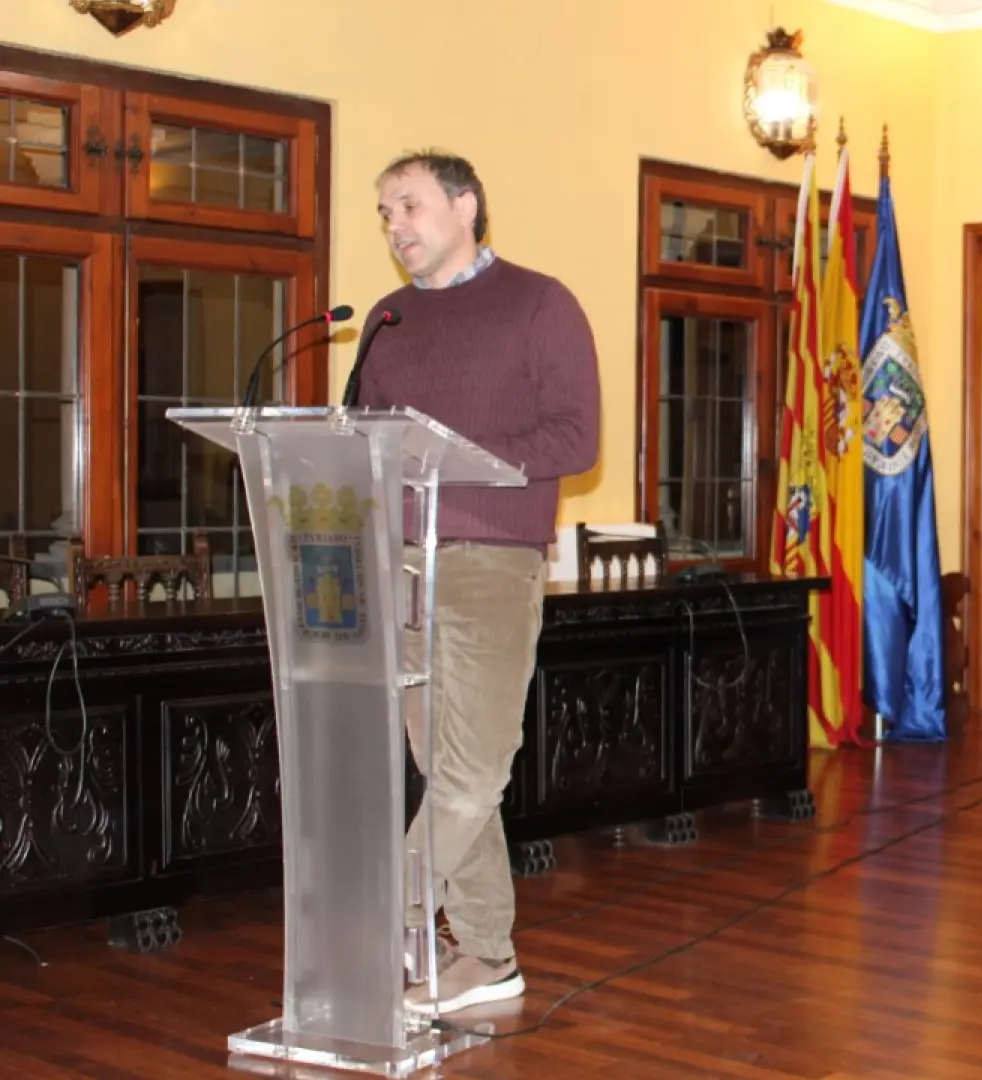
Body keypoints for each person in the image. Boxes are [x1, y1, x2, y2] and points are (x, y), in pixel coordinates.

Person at [356, 150, 601, 1014]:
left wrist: (461, 470)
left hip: (491, 561)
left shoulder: (541, 303)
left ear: (464, 206)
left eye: (409, 206)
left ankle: (383, 909)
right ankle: (489, 958)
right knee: (447, 768)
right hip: (402, 566)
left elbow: (576, 440)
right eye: (384, 212)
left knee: (472, 772)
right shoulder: (385, 319)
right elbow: (362, 442)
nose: (395, 226)